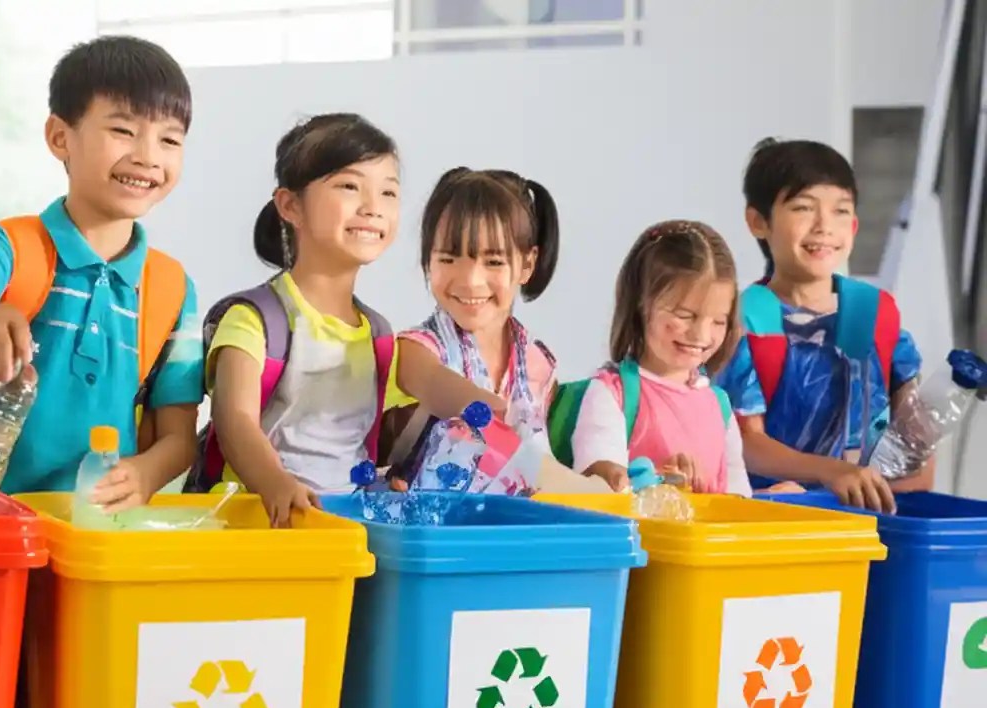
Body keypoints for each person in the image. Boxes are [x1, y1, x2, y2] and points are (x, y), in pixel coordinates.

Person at [0, 36, 204, 507]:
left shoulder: (174, 289)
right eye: (123, 130)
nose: (148, 156)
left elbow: (179, 437)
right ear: (60, 137)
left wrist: (144, 474)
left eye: (170, 139)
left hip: (93, 531)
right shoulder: (8, 244)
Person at [196, 114, 508, 525]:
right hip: (261, 528)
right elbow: (233, 419)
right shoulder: (255, 319)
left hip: (347, 529)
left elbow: (414, 401)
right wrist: (275, 483)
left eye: (388, 192)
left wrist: (495, 412)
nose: (372, 208)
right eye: (349, 186)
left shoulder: (378, 334)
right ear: (290, 205)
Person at [716, 138, 920, 512]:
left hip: (872, 518)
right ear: (758, 221)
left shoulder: (875, 313)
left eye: (841, 211)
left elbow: (915, 437)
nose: (825, 226)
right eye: (803, 208)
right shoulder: (742, 321)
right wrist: (834, 472)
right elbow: (744, 442)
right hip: (774, 518)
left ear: (855, 225)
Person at [381, 167, 590, 494]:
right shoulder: (417, 351)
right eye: (448, 259)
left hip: (513, 534)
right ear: (427, 261)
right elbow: (469, 407)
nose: (470, 280)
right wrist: (577, 487)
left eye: (493, 262)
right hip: (433, 538)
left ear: (526, 265)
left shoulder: (537, 365)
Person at [568, 220, 753, 497]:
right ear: (641, 304)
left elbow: (740, 502)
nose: (701, 334)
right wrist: (647, 485)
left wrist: (707, 493)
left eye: (718, 321)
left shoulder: (720, 406)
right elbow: (598, 484)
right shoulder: (612, 394)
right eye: (684, 315)